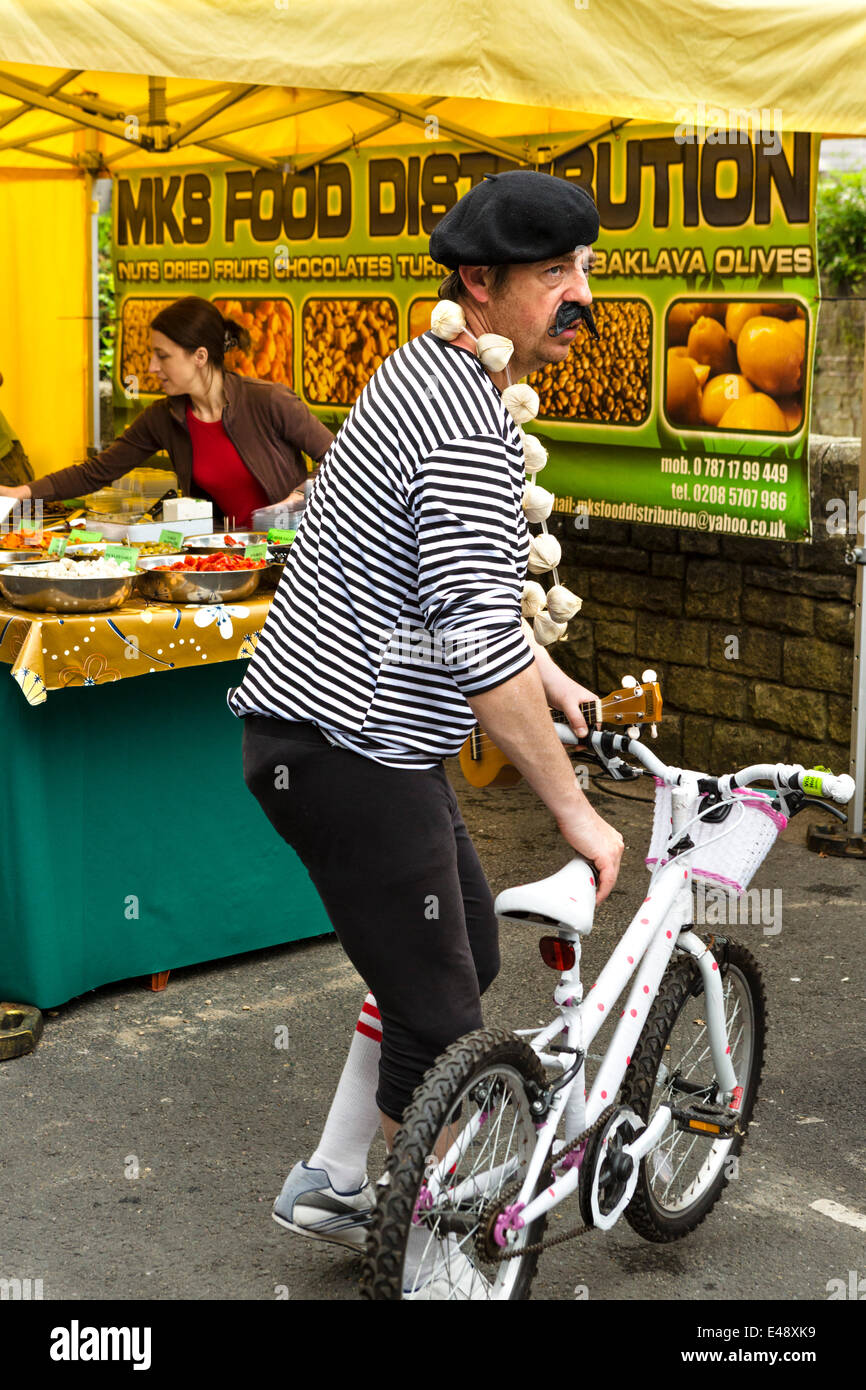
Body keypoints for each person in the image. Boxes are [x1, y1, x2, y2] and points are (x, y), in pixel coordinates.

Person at [230, 170, 625, 1288]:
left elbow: (452, 584)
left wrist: (544, 670)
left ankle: (336, 1177)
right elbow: (472, 641)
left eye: (583, 267)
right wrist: (577, 815)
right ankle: (430, 1254)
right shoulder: (459, 417)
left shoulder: (431, 373)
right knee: (450, 1023)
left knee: (463, 955)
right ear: (478, 284)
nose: (579, 296)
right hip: (339, 746)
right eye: (555, 274)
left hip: (349, 743)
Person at [0, 297, 333, 528]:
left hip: (293, 557)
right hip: (225, 556)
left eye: (163, 356)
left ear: (199, 356)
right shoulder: (163, 418)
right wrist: (23, 492)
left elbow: (343, 462)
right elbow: (96, 472)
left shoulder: (269, 401)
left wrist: (300, 493)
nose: (151, 367)